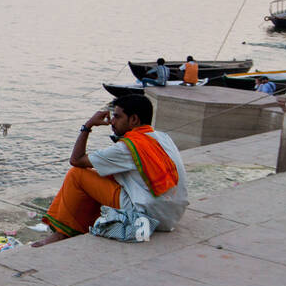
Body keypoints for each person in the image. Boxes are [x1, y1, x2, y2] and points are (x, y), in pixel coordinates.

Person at [35, 93, 188, 246]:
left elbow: (76, 160)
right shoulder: (162, 137)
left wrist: (88, 126)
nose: (112, 122)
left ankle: (62, 234)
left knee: (77, 175)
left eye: (117, 117)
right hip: (171, 214)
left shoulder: (127, 148)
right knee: (103, 173)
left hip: (147, 217)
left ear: (134, 119)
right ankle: (77, 225)